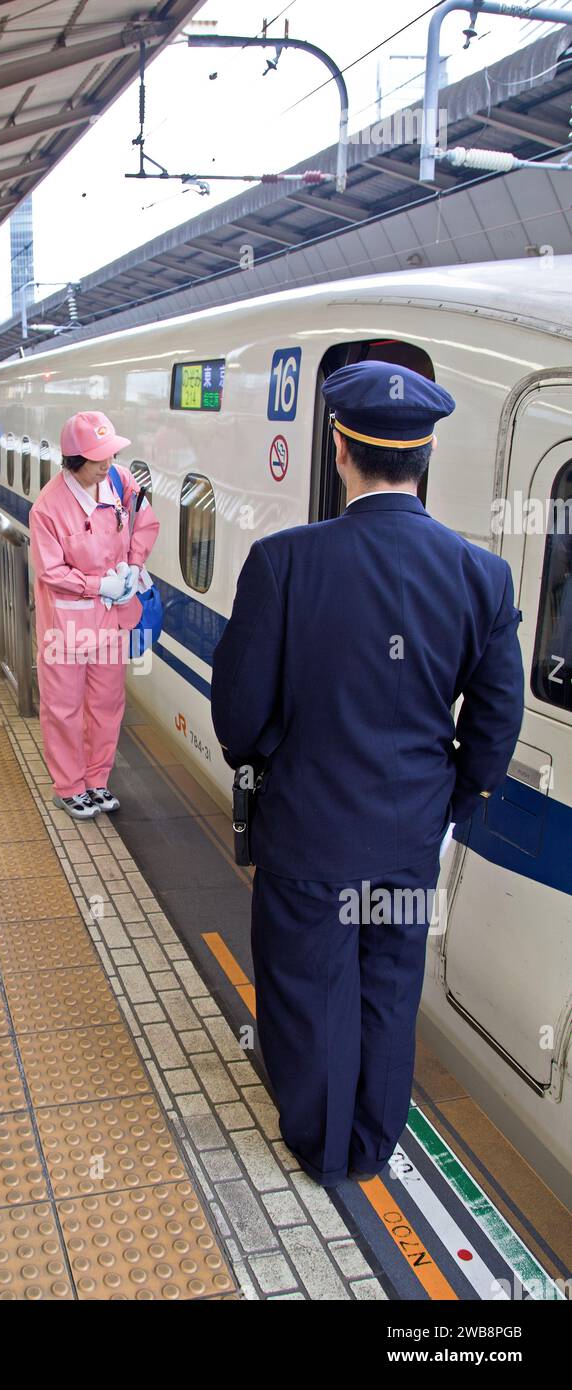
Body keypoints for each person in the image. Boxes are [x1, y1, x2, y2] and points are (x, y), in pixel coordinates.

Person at [210, 361, 525, 1187]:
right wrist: (449, 801)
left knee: (309, 987)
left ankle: (319, 1144)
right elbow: (495, 723)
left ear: (340, 447)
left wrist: (275, 756)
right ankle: (372, 1144)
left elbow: (238, 715)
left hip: (309, 833)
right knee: (388, 985)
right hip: (411, 834)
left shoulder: (283, 563)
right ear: (425, 456)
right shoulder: (481, 576)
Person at [29, 410, 160, 819]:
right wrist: (96, 585)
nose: (107, 463)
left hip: (111, 619)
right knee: (63, 707)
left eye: (110, 453)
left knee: (106, 702)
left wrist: (134, 566)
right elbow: (50, 570)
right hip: (66, 626)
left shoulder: (120, 482)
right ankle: (69, 785)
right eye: (98, 458)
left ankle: (97, 779)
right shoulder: (48, 508)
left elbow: (144, 522)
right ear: (74, 460)